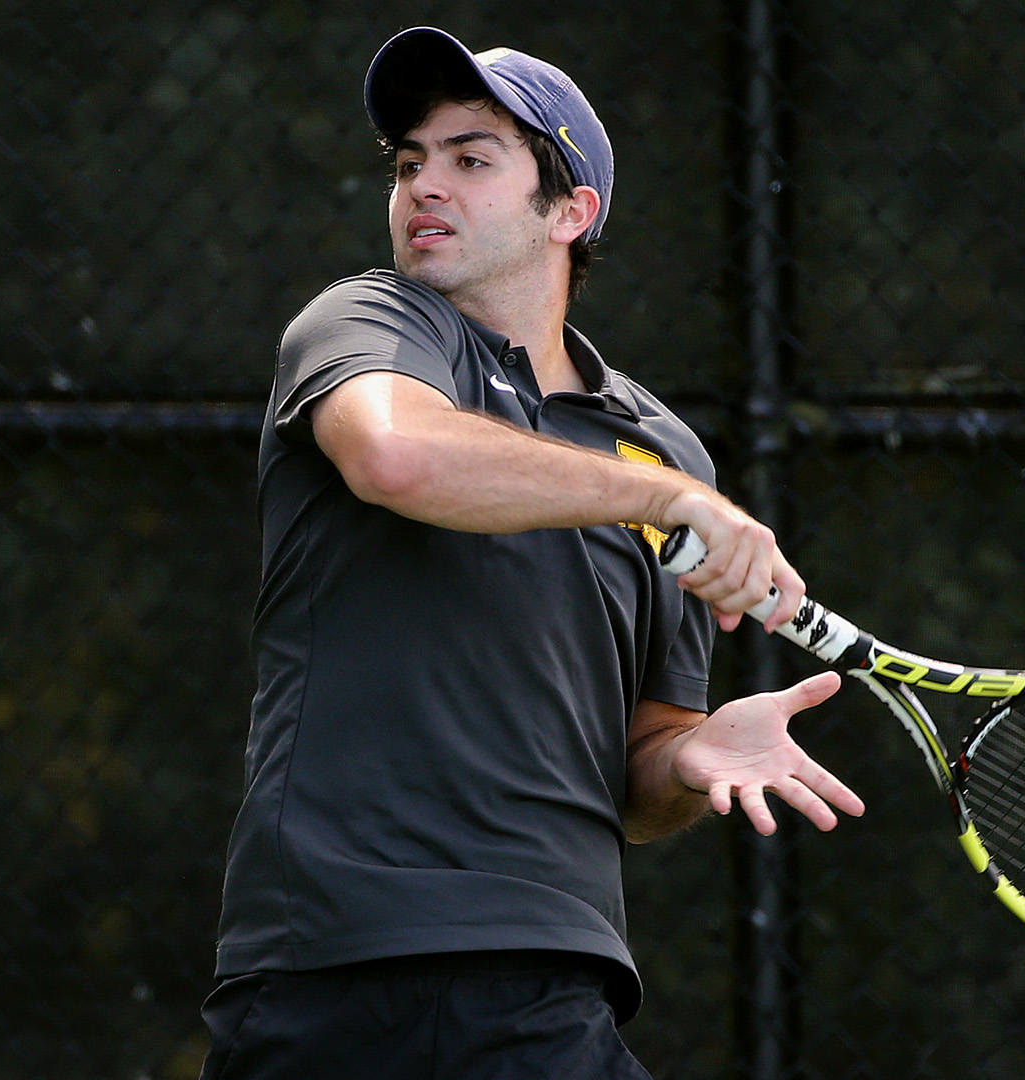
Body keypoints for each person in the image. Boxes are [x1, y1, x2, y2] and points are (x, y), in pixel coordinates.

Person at [198, 26, 865, 1080]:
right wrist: (664, 495)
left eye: (472, 158)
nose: (425, 184)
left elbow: (644, 769)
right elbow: (396, 455)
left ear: (570, 211)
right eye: (410, 161)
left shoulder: (661, 447)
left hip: (550, 977)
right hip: (333, 968)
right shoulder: (363, 322)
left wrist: (690, 759)